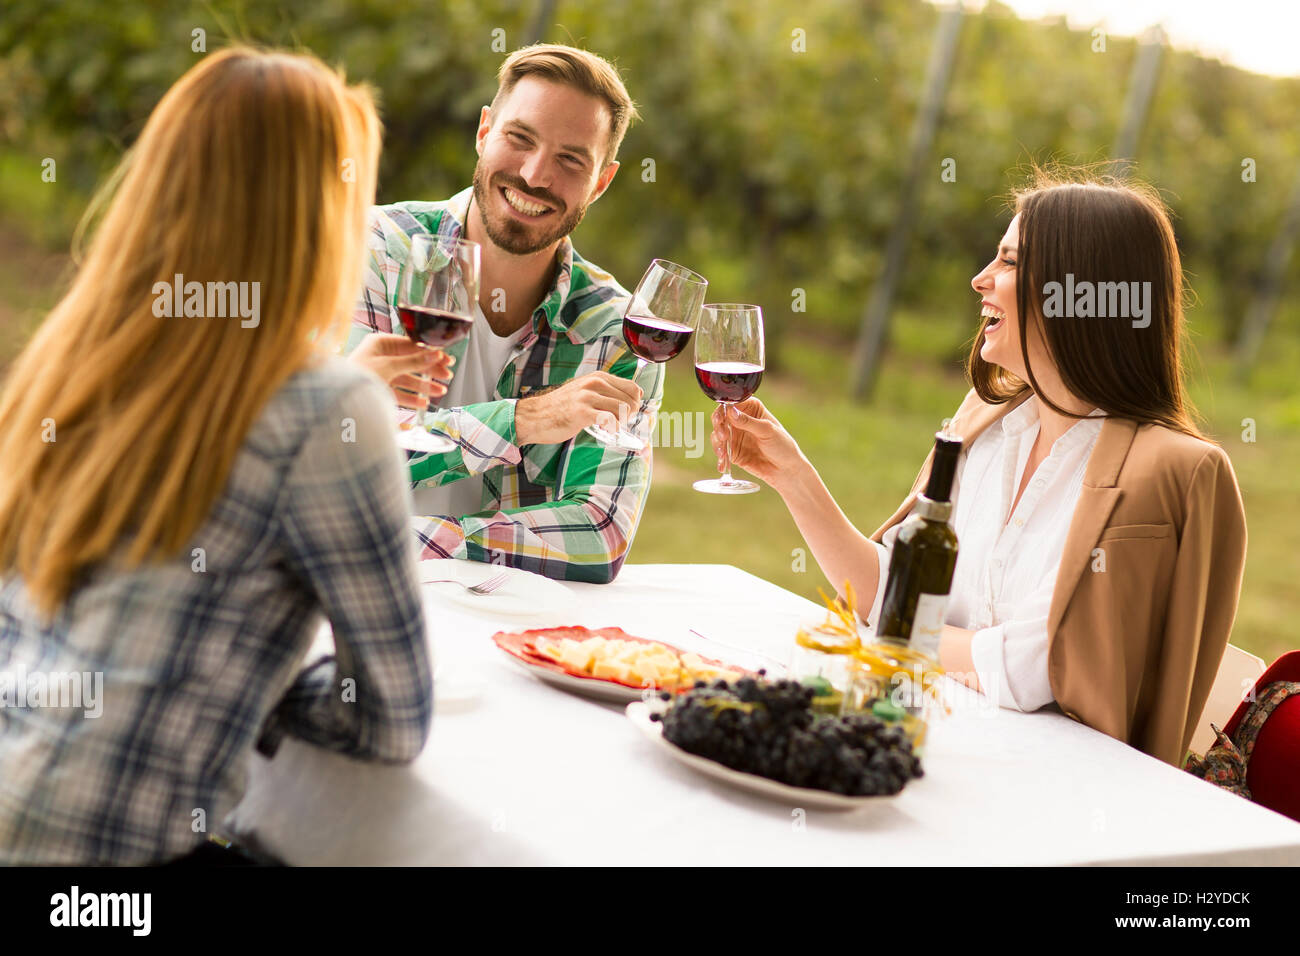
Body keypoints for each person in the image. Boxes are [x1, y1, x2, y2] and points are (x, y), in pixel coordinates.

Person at [0, 47, 436, 864]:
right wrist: (260, 688)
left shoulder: (76, 357)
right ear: (319, 218)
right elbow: (394, 718)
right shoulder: (326, 409)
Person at [714, 171, 1248, 766]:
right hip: (926, 748)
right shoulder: (986, 423)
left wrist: (898, 638)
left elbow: (1034, 667)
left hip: (1047, 791)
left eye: (1009, 262)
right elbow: (892, 592)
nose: (980, 279)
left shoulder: (1164, 471)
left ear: (1075, 292)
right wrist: (791, 473)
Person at [347, 43, 658, 584]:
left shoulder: (621, 331)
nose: (535, 175)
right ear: (484, 131)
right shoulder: (374, 250)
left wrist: (406, 543)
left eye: (570, 160)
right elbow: (339, 452)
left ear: (601, 182)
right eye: (520, 138)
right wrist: (522, 421)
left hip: (514, 625)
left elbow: (599, 533)